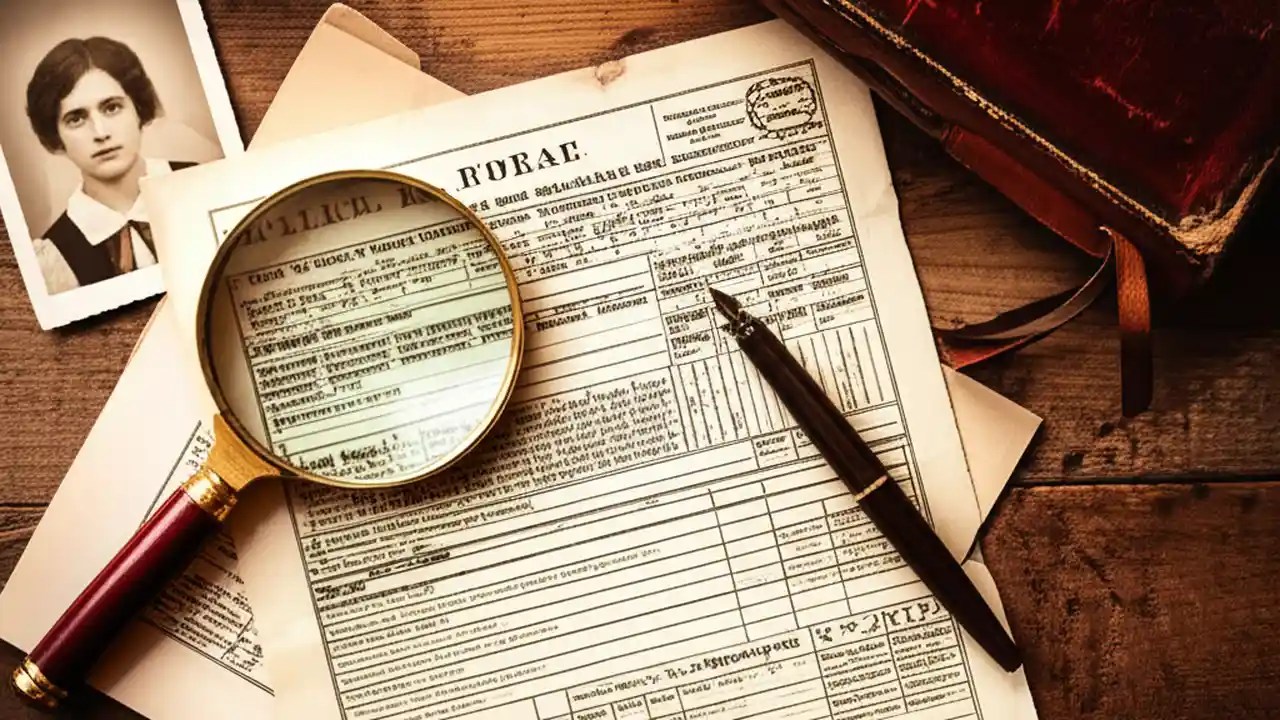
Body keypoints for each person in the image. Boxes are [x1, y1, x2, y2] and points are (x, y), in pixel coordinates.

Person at [25, 36, 191, 294]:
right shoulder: (53, 260)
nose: (100, 132)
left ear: (138, 108)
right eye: (76, 119)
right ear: (56, 136)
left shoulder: (200, 182)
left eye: (112, 108)